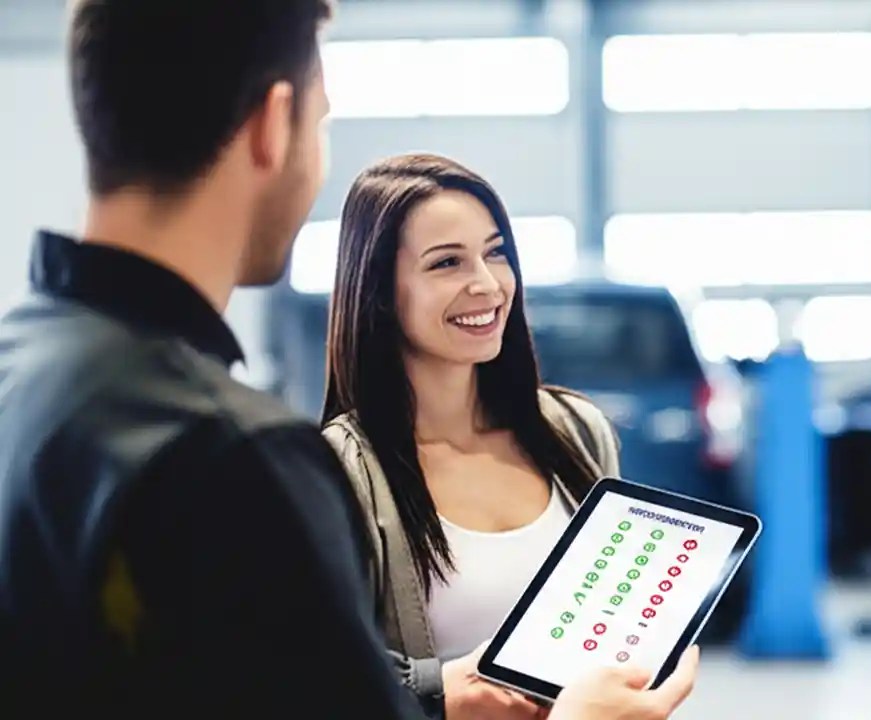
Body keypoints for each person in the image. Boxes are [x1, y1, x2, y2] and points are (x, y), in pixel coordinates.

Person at [0, 2, 697, 719]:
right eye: (322, 119)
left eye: (494, 254)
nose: (484, 283)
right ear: (275, 123)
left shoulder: (27, 365)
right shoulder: (236, 455)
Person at [321, 153, 624, 719]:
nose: (487, 285)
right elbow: (317, 676)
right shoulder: (341, 470)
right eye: (447, 264)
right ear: (382, 291)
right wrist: (441, 692)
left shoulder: (576, 431)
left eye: (495, 254)